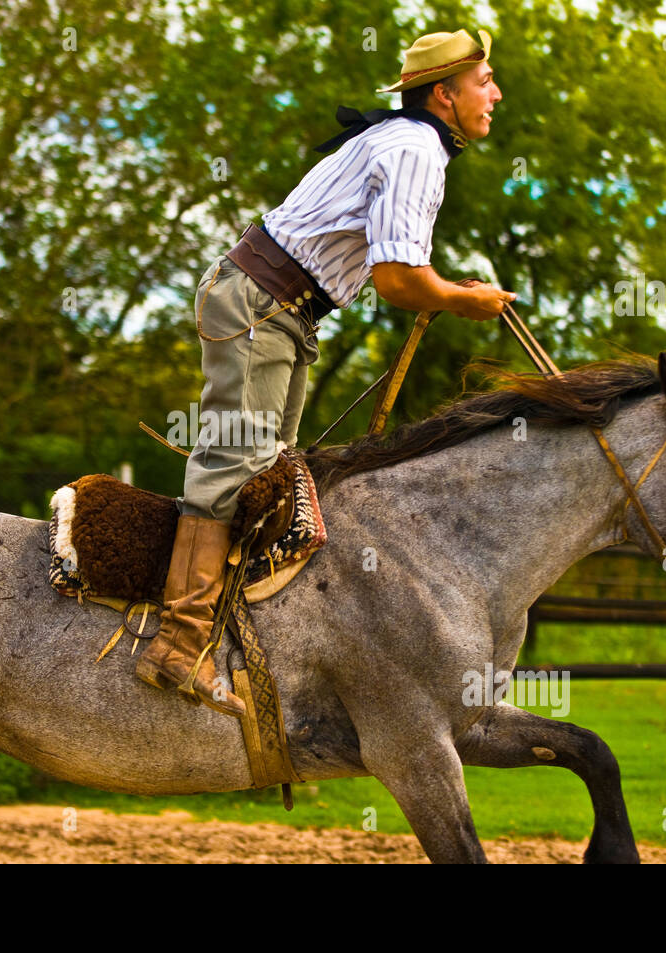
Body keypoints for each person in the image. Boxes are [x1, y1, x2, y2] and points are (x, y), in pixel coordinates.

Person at [136, 29, 517, 716]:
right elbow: (399, 280)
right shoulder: (415, 148)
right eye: (484, 80)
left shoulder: (410, 144)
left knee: (270, 472)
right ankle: (177, 643)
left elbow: (405, 272)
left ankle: (232, 637)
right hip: (262, 306)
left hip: (280, 309)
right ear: (444, 94)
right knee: (236, 464)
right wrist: (465, 300)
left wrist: (449, 287)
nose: (495, 92)